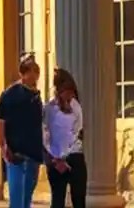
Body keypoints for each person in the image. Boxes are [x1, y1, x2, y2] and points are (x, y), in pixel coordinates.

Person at [0, 54, 44, 208]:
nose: (35, 76)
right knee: (17, 194)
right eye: (31, 72)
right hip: (15, 151)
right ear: (23, 74)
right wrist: (3, 145)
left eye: (36, 72)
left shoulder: (36, 96)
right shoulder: (10, 95)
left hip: (33, 151)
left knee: (28, 193)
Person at [43, 68, 86, 208]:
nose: (71, 95)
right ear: (59, 92)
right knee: (58, 200)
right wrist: (56, 160)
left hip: (75, 156)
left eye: (72, 91)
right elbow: (45, 136)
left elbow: (79, 132)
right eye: (68, 91)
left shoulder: (76, 107)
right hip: (57, 158)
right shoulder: (49, 109)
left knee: (79, 199)